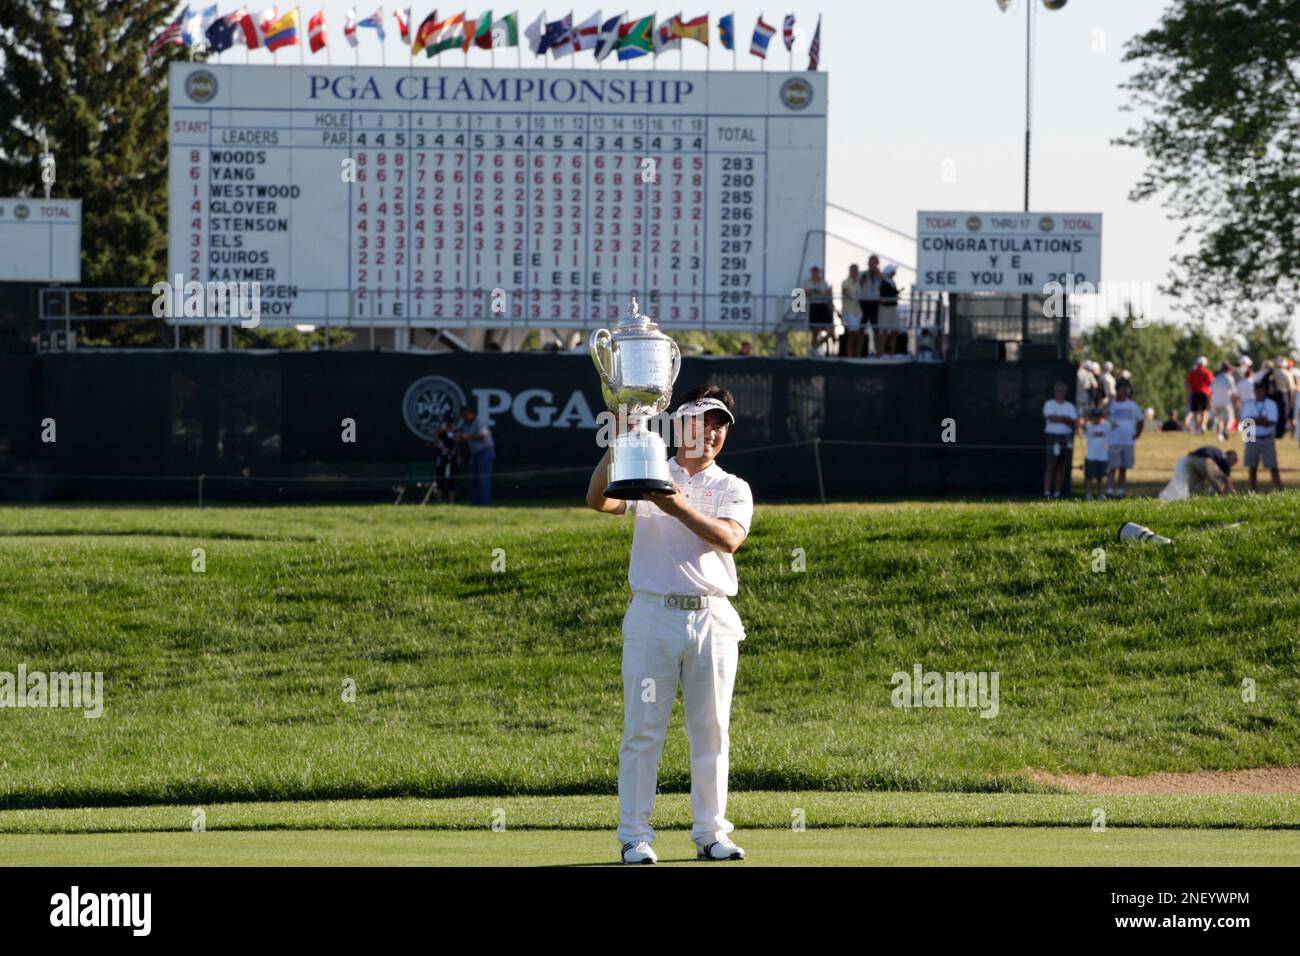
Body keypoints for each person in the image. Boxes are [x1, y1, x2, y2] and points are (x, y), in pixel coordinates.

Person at [585, 384, 753, 865]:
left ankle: (710, 833)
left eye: (720, 424)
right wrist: (619, 440)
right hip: (652, 616)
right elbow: (599, 501)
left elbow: (728, 539)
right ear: (680, 425)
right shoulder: (648, 468)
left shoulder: (732, 486)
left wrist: (673, 502)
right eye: (704, 421)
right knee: (643, 730)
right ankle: (635, 836)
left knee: (711, 730)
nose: (713, 432)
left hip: (713, 618)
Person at [1240, 380, 1283, 492]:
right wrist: (1261, 420)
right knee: (1251, 466)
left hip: (1266, 436)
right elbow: (1245, 422)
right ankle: (1252, 489)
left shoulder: (1271, 403)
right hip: (1250, 434)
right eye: (1257, 390)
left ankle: (1279, 489)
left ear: (1265, 391)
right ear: (1254, 391)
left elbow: (1271, 421)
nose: (1259, 392)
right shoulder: (1248, 403)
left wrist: (1254, 420)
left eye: (1262, 390)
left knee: (1272, 465)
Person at [1105, 378, 1144, 498]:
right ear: (1117, 390)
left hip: (1128, 441)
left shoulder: (1133, 405)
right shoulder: (1112, 404)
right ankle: (1110, 491)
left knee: (1123, 467)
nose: (1126, 391)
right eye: (1123, 388)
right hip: (1114, 440)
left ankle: (1121, 491)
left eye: (1127, 388)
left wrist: (1138, 433)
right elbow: (1103, 413)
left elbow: (1141, 420)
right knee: (1112, 467)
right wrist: (1110, 401)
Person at [1042, 381, 1078, 499]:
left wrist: (1061, 419)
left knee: (1062, 466)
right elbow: (1051, 418)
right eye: (1057, 390)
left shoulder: (1070, 406)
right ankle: (1047, 492)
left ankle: (1057, 492)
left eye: (1061, 391)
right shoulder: (1049, 404)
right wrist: (1065, 419)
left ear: (1065, 392)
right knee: (1051, 465)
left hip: (1065, 437)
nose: (1059, 393)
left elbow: (1074, 421)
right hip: (1052, 436)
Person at [1160, 445, 1237, 499]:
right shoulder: (1223, 457)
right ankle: (1223, 498)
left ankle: (1193, 499)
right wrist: (1232, 492)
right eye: (1234, 459)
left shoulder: (1217, 454)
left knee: (1196, 485)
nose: (1234, 462)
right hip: (1204, 460)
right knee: (1219, 481)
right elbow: (1227, 479)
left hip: (1192, 459)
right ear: (1228, 454)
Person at [456, 405, 495, 505]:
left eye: (465, 415)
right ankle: (476, 502)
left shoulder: (479, 421)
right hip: (475, 454)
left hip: (485, 452)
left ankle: (484, 503)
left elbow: (483, 435)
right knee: (474, 478)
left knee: (483, 478)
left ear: (470, 413)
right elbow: (463, 437)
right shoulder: (465, 424)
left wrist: (468, 436)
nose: (463, 418)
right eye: (462, 416)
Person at [423, 416, 460, 504]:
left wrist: (458, 455)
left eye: (451, 423)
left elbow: (457, 445)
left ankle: (451, 502)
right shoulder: (440, 431)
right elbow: (436, 443)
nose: (449, 425)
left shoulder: (456, 431)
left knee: (452, 478)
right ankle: (438, 501)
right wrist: (442, 448)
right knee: (440, 477)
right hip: (442, 457)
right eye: (448, 423)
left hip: (452, 457)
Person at [802, 266, 835, 356]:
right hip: (813, 307)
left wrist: (817, 292)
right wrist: (814, 291)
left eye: (817, 271)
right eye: (814, 271)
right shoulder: (807, 282)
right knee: (815, 331)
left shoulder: (824, 282)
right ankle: (814, 351)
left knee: (830, 330)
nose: (815, 273)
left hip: (823, 307)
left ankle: (815, 347)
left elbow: (827, 294)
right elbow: (804, 292)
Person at [858, 255, 882, 356]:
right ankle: (858, 352)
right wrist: (868, 275)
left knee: (876, 329)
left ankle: (878, 353)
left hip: (875, 304)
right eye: (871, 262)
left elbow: (885, 283)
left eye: (874, 262)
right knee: (861, 329)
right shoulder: (863, 274)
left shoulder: (880, 276)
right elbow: (859, 284)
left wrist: (878, 274)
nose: (872, 264)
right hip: (864, 303)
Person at [1083, 407, 1109, 501]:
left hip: (1102, 456)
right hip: (1091, 456)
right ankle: (1089, 494)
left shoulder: (1106, 425)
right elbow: (1082, 422)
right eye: (1094, 416)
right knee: (1090, 477)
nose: (1096, 418)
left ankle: (1099, 494)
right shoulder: (1089, 426)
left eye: (1098, 416)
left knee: (1100, 477)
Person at [840, 264, 864, 358]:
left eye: (856, 270)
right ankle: (850, 354)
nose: (855, 272)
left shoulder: (859, 282)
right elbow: (845, 293)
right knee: (853, 333)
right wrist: (853, 298)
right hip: (848, 311)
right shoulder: (845, 282)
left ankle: (856, 354)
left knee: (856, 334)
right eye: (853, 270)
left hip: (858, 312)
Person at [1186, 356, 1214, 435]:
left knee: (1195, 412)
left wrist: (1188, 396)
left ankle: (1198, 427)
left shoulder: (1192, 373)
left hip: (1195, 393)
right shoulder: (1208, 373)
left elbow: (1188, 385)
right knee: (1204, 411)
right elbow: (1211, 384)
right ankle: (1202, 425)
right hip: (1205, 393)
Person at [879, 264, 902, 356]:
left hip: (893, 309)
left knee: (894, 331)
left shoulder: (892, 282)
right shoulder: (884, 282)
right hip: (885, 310)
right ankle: (881, 353)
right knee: (884, 331)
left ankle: (892, 353)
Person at [1210, 361, 1236, 440]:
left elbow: (1211, 391)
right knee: (1227, 419)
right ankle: (1224, 431)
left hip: (1216, 401)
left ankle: (1219, 434)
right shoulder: (1229, 378)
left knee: (1218, 419)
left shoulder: (1216, 378)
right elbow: (1233, 392)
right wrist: (1235, 402)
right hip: (1226, 402)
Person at [1075, 361, 1098, 432]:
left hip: (1077, 397)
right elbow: (1095, 385)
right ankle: (1086, 430)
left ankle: (1079, 431)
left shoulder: (1077, 372)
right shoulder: (1088, 373)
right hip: (1086, 398)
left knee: (1079, 416)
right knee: (1086, 416)